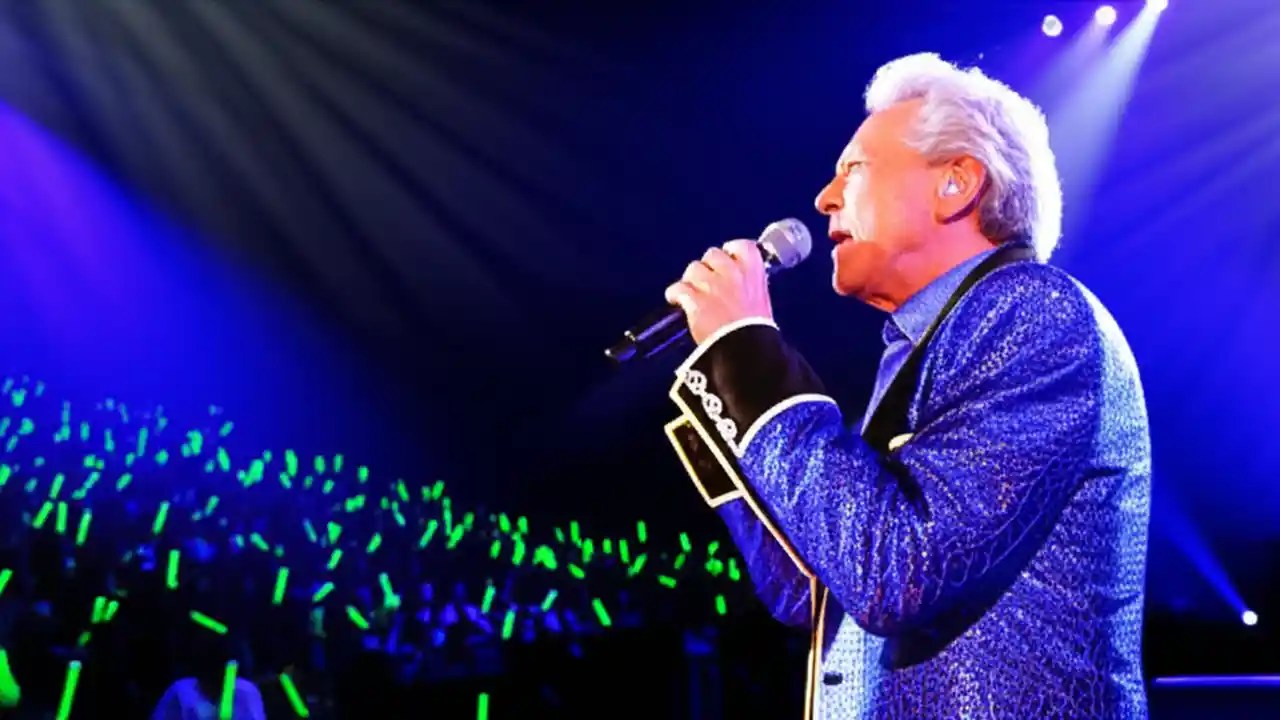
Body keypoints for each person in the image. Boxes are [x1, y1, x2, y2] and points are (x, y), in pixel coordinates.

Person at [661, 53, 1150, 719]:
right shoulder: (928, 345)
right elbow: (812, 587)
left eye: (852, 171)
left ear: (957, 184)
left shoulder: (1033, 313)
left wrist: (750, 352)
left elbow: (895, 571)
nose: (824, 198)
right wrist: (728, 370)